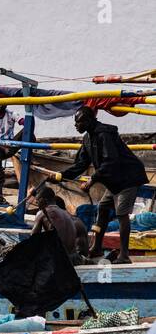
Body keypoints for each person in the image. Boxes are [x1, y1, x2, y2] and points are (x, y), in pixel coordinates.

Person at [60, 106, 148, 263]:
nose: (76, 126)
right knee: (103, 208)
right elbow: (80, 164)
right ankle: (97, 248)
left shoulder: (104, 134)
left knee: (122, 215)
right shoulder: (87, 139)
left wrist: (92, 179)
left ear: (88, 120)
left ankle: (124, 255)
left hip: (127, 178)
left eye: (78, 122)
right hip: (114, 181)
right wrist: (61, 176)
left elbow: (111, 161)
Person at [29, 186, 87, 264]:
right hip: (73, 258)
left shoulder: (41, 213)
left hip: (58, 260)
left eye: (37, 202)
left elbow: (33, 240)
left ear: (43, 200)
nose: (37, 205)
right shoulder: (66, 214)